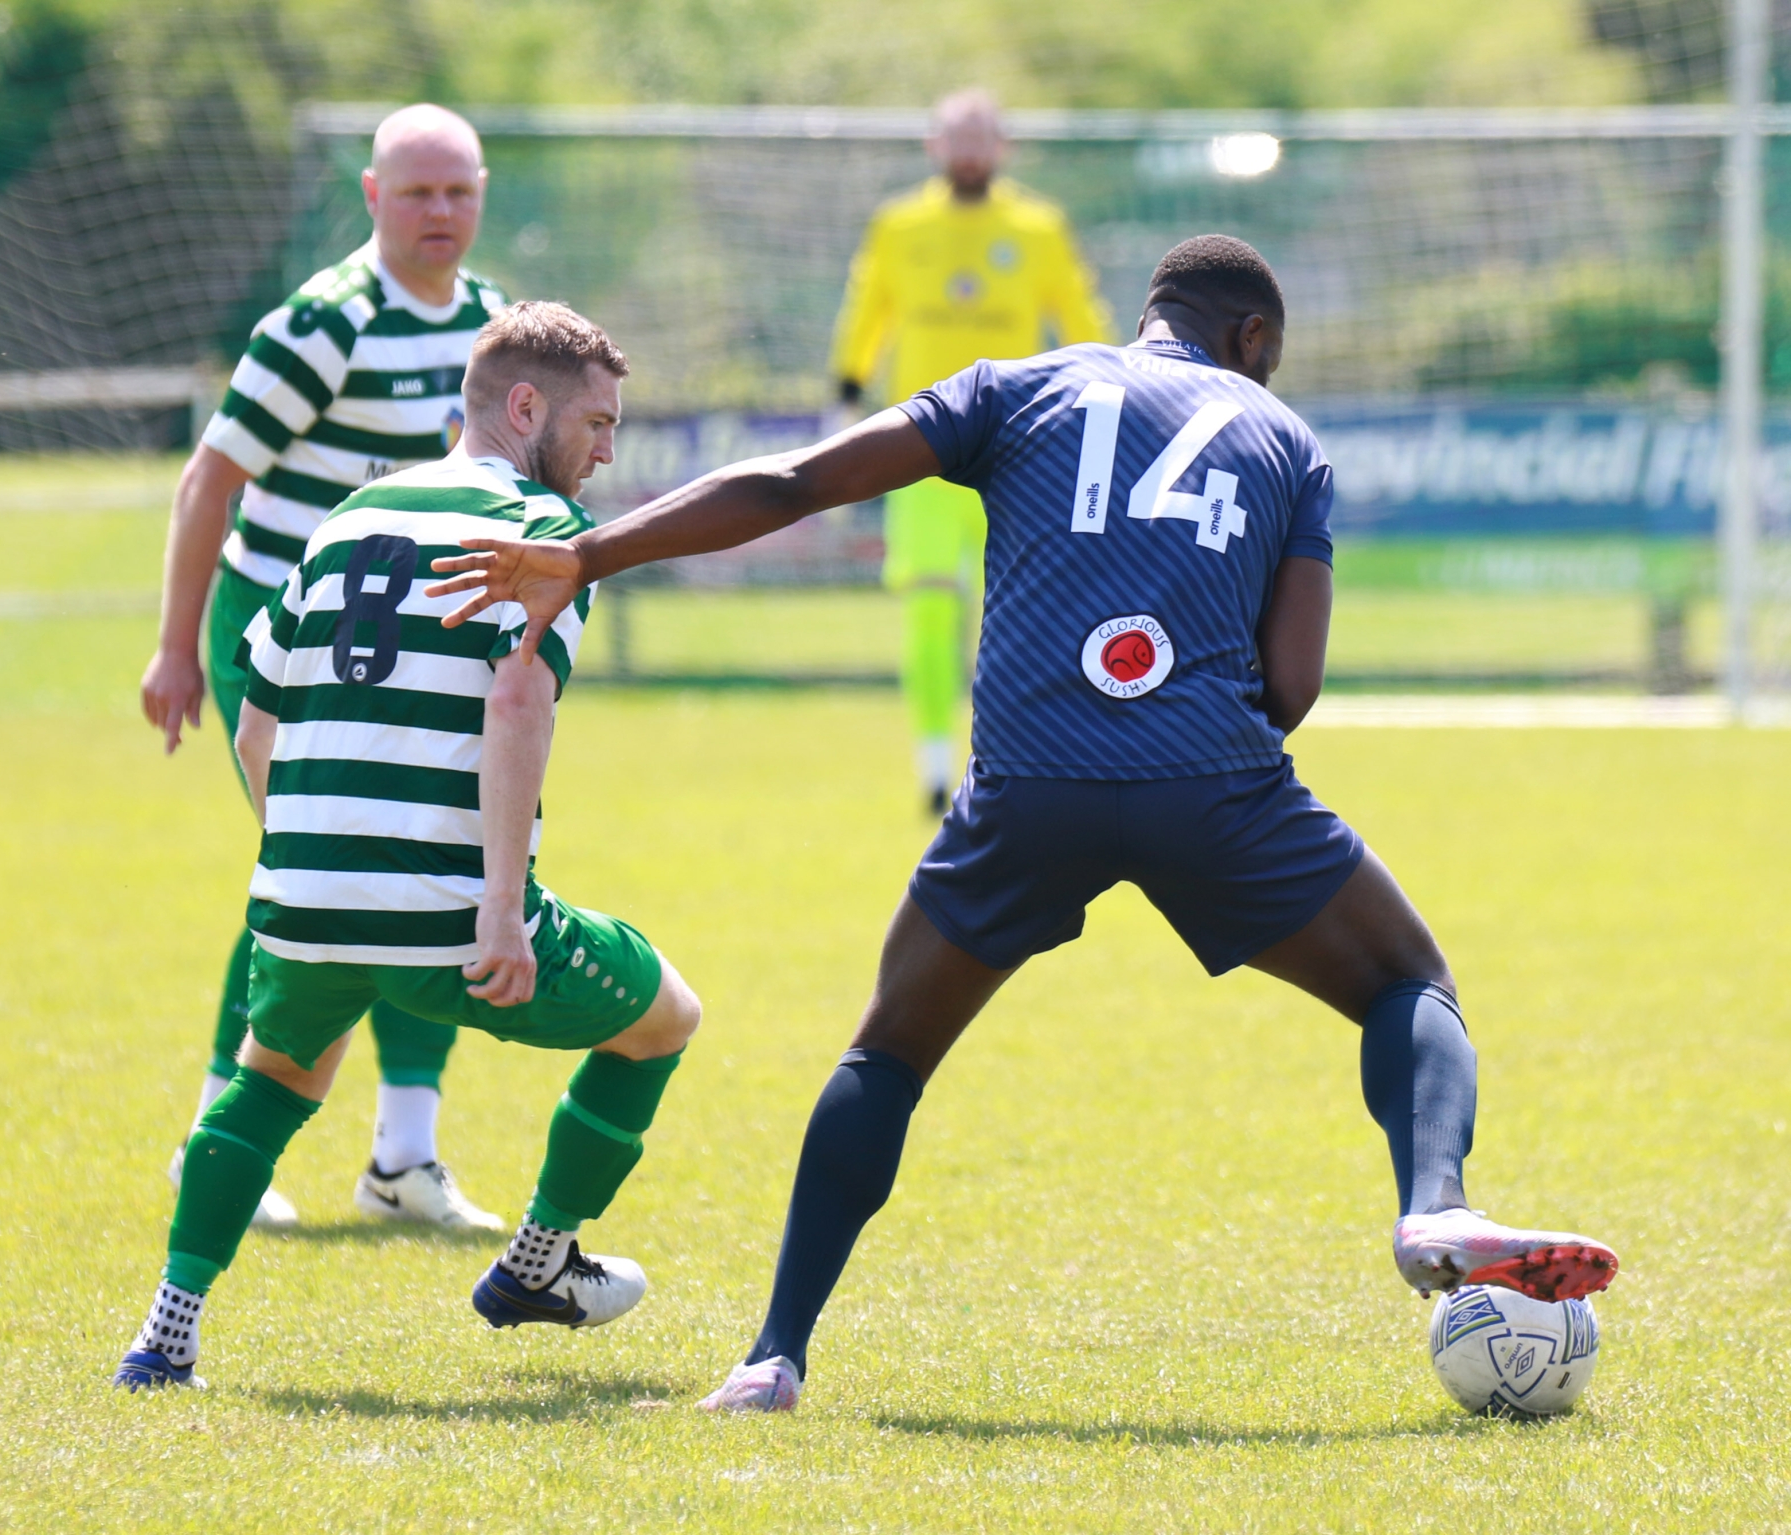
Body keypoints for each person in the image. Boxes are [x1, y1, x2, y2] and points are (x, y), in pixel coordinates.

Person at [424, 236, 1621, 1415]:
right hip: (1211, 780)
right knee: (1408, 980)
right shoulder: (1285, 439)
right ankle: (1436, 1200)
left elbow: (793, 484)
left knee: (887, 1051)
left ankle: (773, 1357)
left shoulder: (1016, 387)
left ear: (1147, 312)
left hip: (1027, 784)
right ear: (1252, 342)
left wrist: (588, 553)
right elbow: (1292, 686)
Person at [113, 301, 702, 1390]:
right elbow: (518, 704)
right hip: (451, 918)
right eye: (599, 420)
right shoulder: (541, 533)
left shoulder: (345, 518)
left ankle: (165, 1337)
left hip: (299, 899)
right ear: (526, 407)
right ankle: (538, 1262)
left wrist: (305, 853)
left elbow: (255, 712)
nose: (610, 446)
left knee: (270, 1079)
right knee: (666, 1018)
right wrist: (497, 911)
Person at [139, 104, 509, 1228]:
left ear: (482, 192)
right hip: (288, 634)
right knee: (322, 877)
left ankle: (404, 1159)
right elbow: (211, 479)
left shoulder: (496, 331)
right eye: (417, 192)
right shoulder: (323, 324)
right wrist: (176, 644)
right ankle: (220, 1131)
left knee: (434, 869)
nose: (440, 212)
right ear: (371, 195)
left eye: (458, 190)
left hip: (426, 644)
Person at [830, 88, 1109, 813]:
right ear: (934, 146)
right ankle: (931, 767)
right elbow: (868, 309)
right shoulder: (899, 225)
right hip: (917, 447)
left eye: (983, 137)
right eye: (958, 137)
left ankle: (1016, 758)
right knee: (929, 606)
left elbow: (1077, 314)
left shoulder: (1038, 228)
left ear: (1004, 148)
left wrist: (1115, 387)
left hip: (1017, 450)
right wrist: (847, 389)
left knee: (1020, 611)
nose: (970, 150)